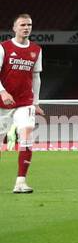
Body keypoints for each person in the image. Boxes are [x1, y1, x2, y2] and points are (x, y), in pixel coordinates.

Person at [0, 14, 44, 194]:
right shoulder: (4, 48)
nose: (26, 28)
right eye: (22, 25)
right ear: (14, 28)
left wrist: (35, 102)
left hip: (24, 102)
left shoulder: (36, 50)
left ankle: (20, 182)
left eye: (29, 25)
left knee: (26, 137)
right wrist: (2, 91)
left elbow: (36, 77)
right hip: (2, 103)